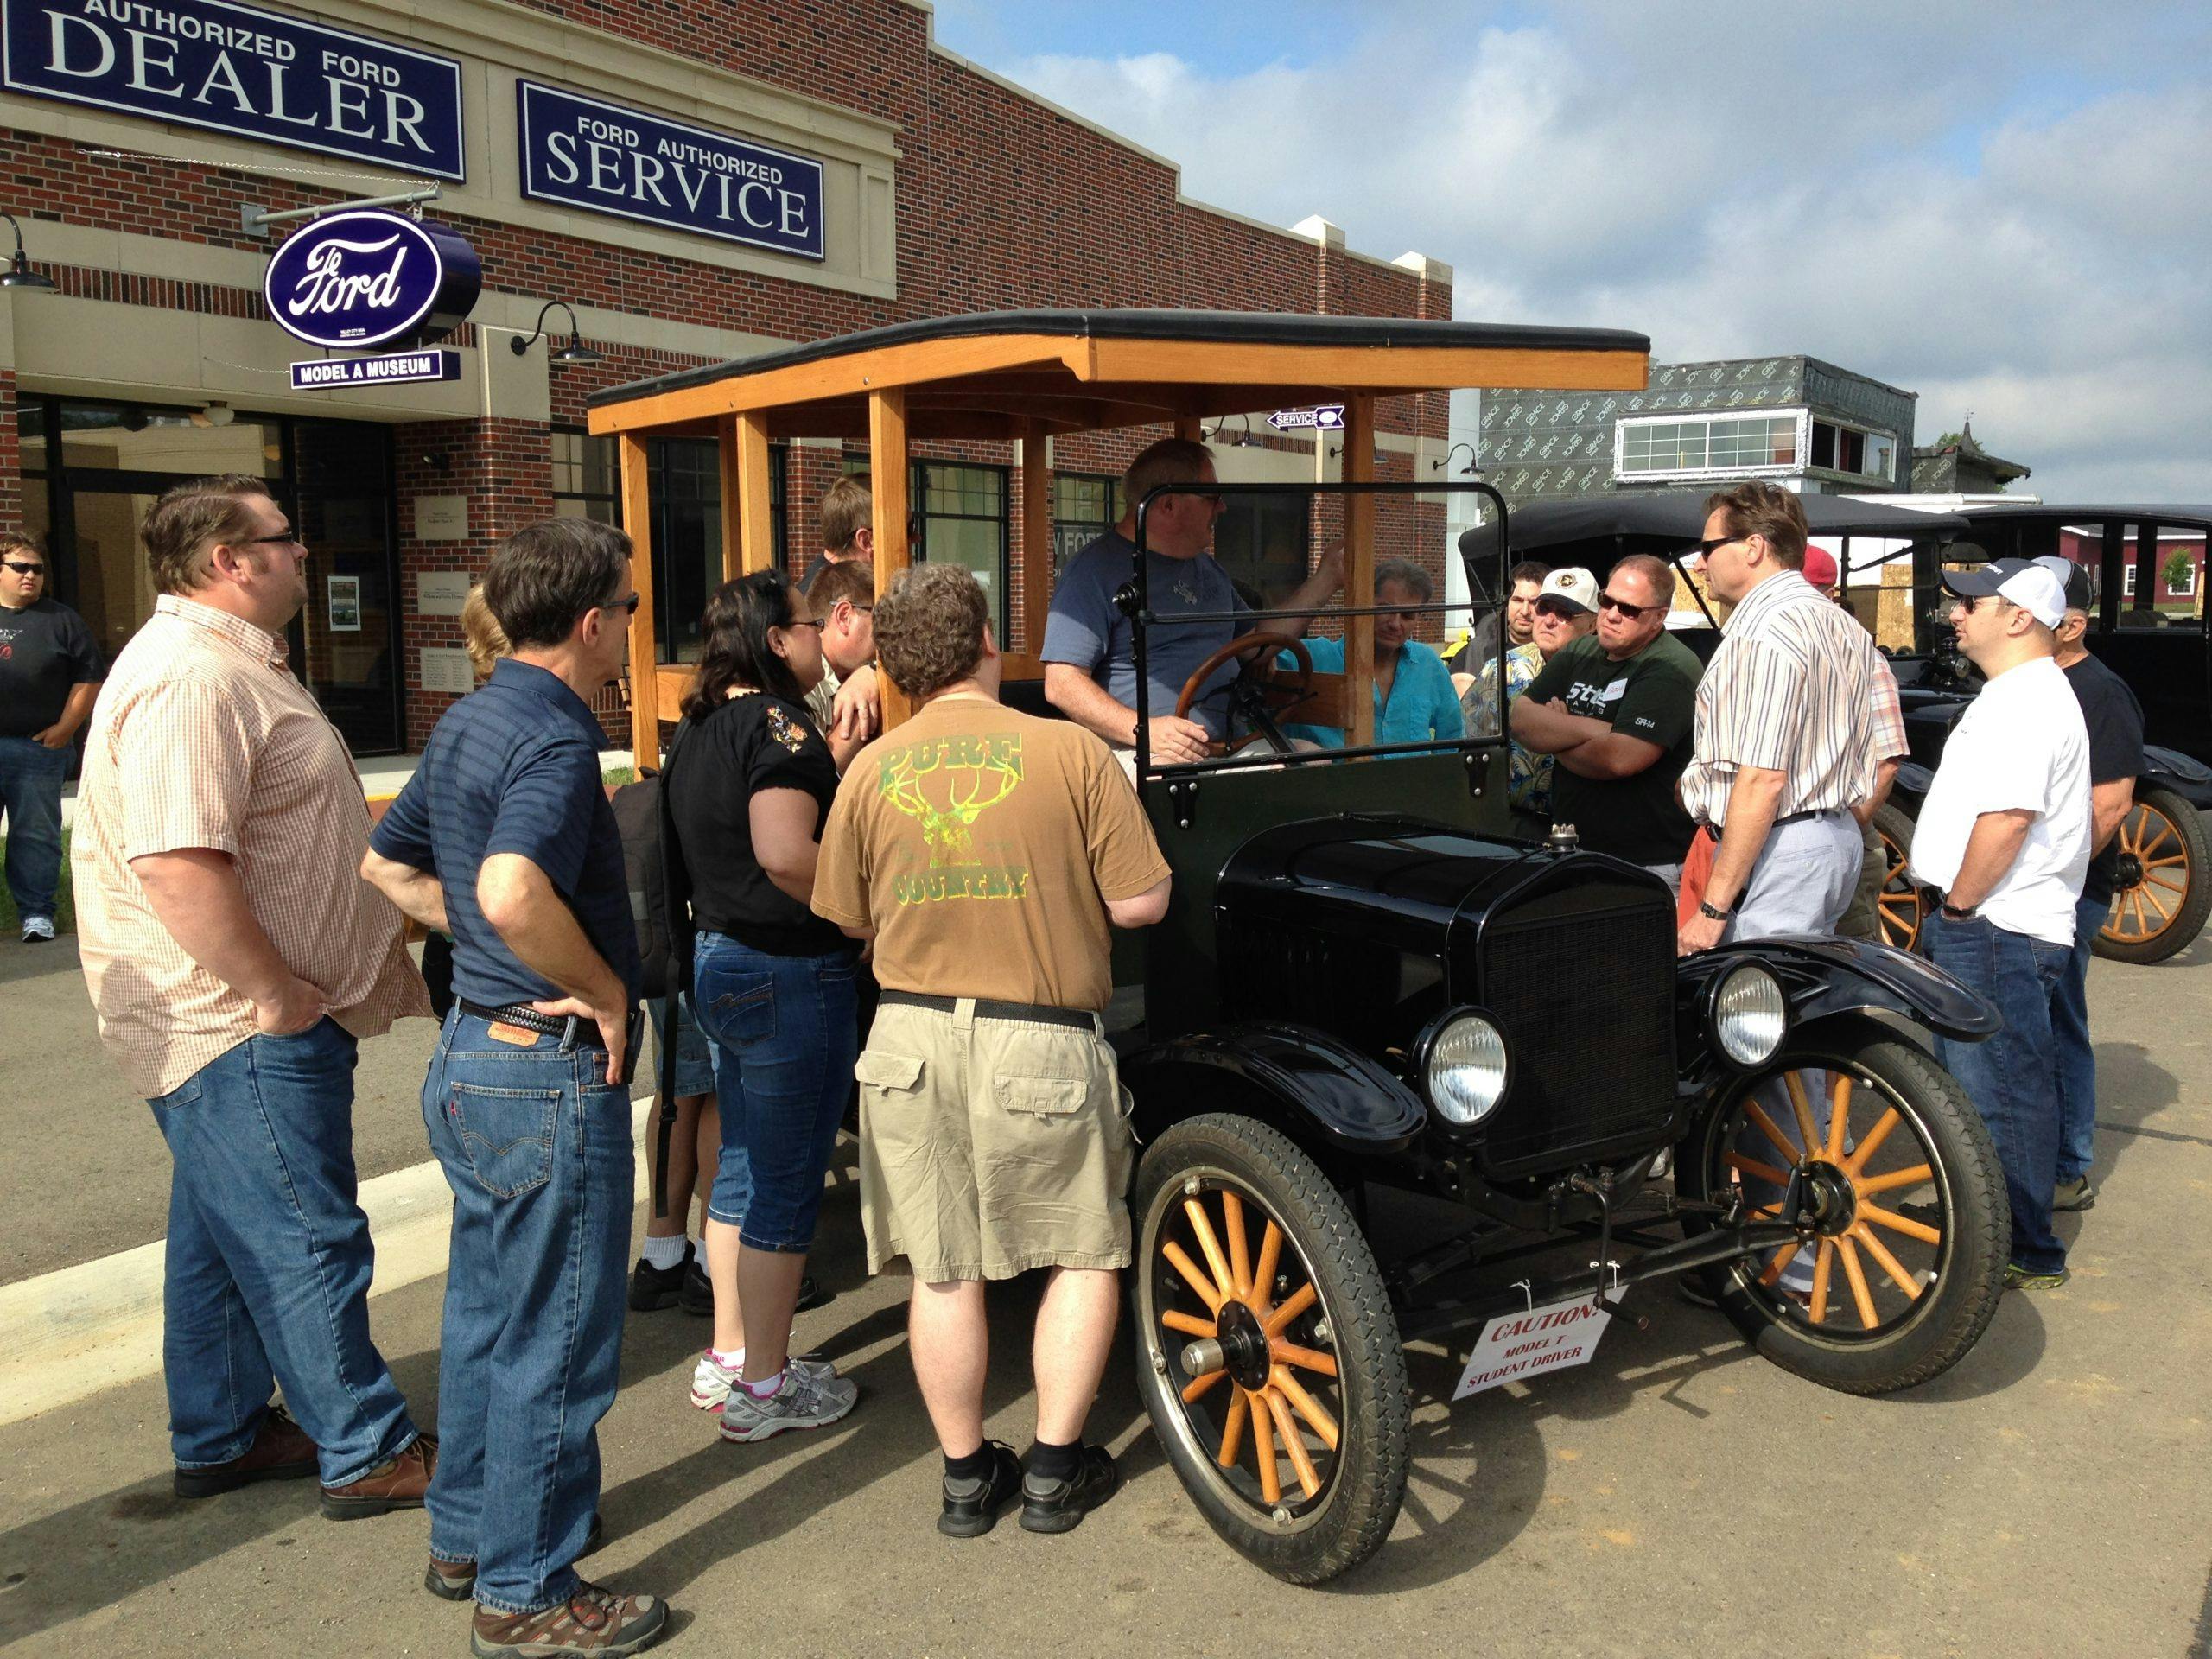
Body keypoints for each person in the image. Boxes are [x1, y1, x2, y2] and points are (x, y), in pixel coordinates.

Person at [72, 474, 434, 1519]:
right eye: (284, 539)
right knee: (304, 1237)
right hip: (232, 1024)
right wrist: (276, 995)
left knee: (226, 1237)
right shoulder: (193, 675)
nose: (304, 554)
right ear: (230, 560)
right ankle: (365, 1450)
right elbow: (180, 865)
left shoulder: (225, 662)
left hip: (232, 1023)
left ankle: (223, 1428)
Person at [813, 563, 1171, 1538]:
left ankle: (967, 1478)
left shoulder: (869, 772)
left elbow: (843, 920)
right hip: (1039, 1038)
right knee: (1082, 1253)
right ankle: (1055, 1471)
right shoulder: (1067, 752)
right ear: (987, 648)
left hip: (908, 1043)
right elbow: (1142, 901)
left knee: (943, 1267)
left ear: (892, 664)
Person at [362, 518, 666, 1654]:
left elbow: (386, 862)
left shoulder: (468, 718)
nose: (634, 626)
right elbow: (504, 887)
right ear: (591, 623)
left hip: (475, 1060)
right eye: (629, 609)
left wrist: (501, 963)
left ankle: (470, 1535)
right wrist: (600, 988)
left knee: (491, 1314)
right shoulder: (549, 731)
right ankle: (529, 1586)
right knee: (556, 1340)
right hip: (541, 1076)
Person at [664, 571, 861, 1441]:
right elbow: (786, 852)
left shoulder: (700, 727)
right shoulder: (779, 725)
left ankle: (731, 1356)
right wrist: (869, 905)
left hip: (718, 958)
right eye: (808, 626)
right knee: (785, 1183)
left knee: (743, 1165)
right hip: (788, 970)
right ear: (776, 640)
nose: (819, 637)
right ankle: (767, 1388)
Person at [1908, 558, 2091, 1292]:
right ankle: (1993, 1222)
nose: (1956, 614)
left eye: (1972, 602)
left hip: (1995, 923)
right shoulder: (2023, 693)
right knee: (1998, 1084)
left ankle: (2021, 1244)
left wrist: (1958, 906)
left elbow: (2008, 819)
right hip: (2001, 921)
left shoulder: (2025, 701)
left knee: (2001, 1090)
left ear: (2020, 617)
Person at [1675, 483, 1887, 954]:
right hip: (1826, 838)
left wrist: (1711, 912)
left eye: (1708, 548)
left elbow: (1763, 779)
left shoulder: (1763, 632)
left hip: (1780, 847)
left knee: (1753, 1006)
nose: (1699, 563)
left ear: (1753, 547)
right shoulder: (1840, 622)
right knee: (1794, 996)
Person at [1042, 437, 1343, 764]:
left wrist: (1327, 578)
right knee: (1172, 779)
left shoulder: (1208, 569)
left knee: (1313, 759)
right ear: (1167, 504)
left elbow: (1256, 644)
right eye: (1212, 498)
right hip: (1137, 750)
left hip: (1229, 742)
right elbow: (1062, 683)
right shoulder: (1093, 572)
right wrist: (1145, 730)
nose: (1223, 508)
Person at [2039, 557, 2143, 1214]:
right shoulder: (2032, 684)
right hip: (2031, 889)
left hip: (2069, 891)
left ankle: (2069, 1166)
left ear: (2073, 625)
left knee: (2057, 1023)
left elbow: (2111, 806)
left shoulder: (2100, 692)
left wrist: (2053, 879)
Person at [1509, 554, 1701, 888]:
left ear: (1658, 617)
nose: (1612, 615)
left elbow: (1619, 758)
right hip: (1573, 850)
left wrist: (1558, 734)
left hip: (1647, 863)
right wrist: (1596, 730)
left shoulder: (1671, 667)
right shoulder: (1580, 650)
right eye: (1606, 601)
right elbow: (1522, 720)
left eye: (1628, 610)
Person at [1802, 547, 1912, 943]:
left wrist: (1848, 828)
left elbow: (1889, 760)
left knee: (1845, 960)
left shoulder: (1864, 658)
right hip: (1785, 837)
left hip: (1839, 829)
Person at [0, 533, 101, 942]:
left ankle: (37, 914)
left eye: (37, 569)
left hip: (37, 748)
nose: (30, 576)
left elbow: (89, 676)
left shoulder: (62, 620)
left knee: (37, 835)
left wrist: (66, 728)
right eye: (20, 567)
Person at [1281, 559, 1465, 748]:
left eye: (1407, 615)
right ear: (1364, 602)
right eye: (1385, 610)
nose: (1395, 624)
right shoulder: (1310, 658)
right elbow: (1255, 656)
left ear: (1418, 619)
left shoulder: (1428, 664)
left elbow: (1453, 738)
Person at [1470, 566, 1596, 834]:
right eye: (1544, 608)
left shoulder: (1606, 676)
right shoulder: (1502, 671)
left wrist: (1564, 729)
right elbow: (1469, 749)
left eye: (1565, 614)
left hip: (1586, 827)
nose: (1549, 620)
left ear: (1593, 623)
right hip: (1513, 823)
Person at [803, 556, 882, 770]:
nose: (887, 636)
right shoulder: (802, 681)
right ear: (844, 616)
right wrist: (859, 713)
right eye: (882, 619)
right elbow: (814, 776)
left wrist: (873, 670)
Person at [1451, 557, 1548, 673]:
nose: (1525, 611)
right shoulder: (1473, 654)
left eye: (1534, 602)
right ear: (1505, 602)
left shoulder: (1559, 654)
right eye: (1518, 600)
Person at [801, 472, 873, 594]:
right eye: (907, 529)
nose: (916, 537)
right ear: (865, 540)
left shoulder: (823, 585)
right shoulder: (823, 601)